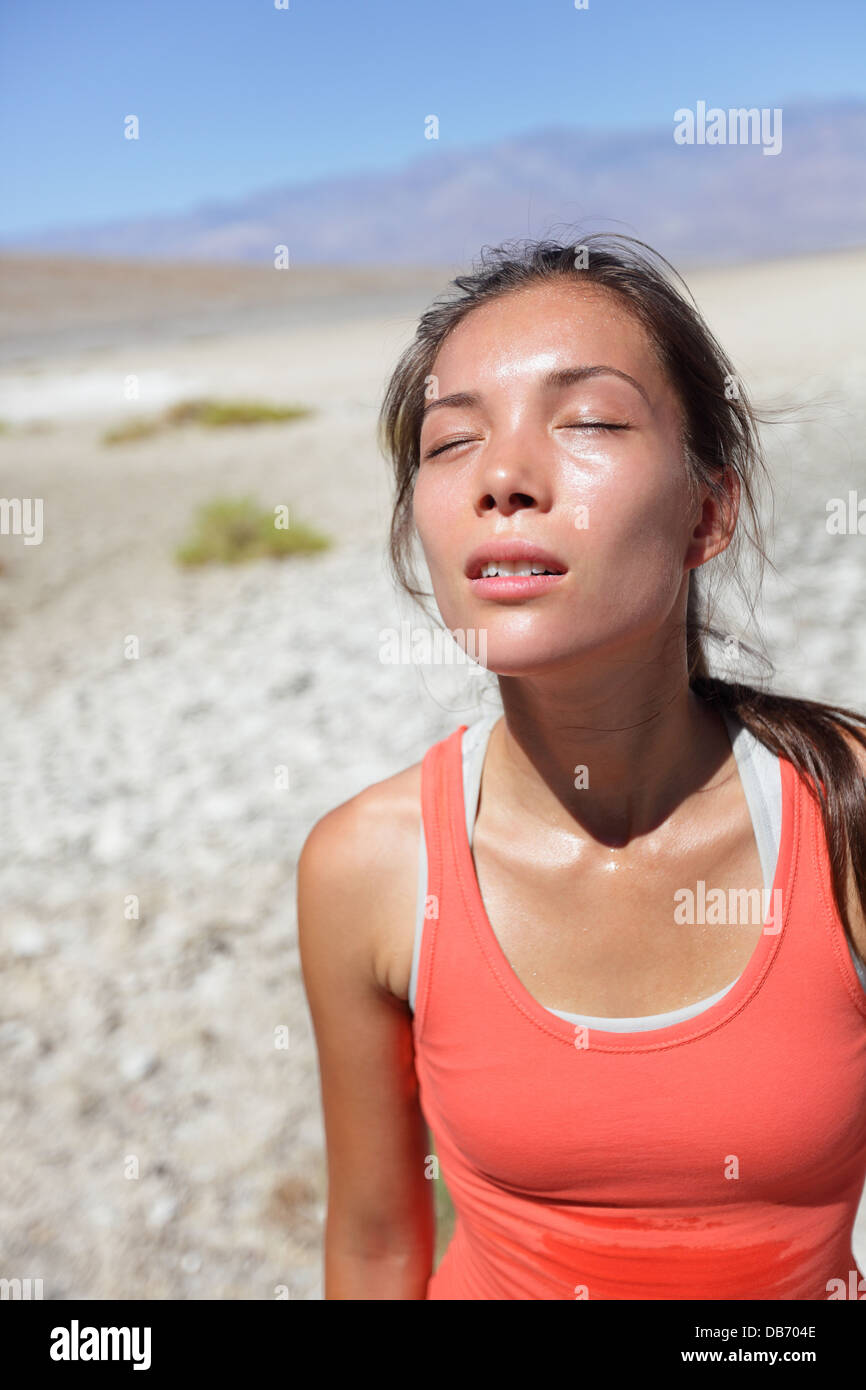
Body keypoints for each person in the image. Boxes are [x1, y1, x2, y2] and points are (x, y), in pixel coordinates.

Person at [297, 234, 866, 1300]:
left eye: (590, 420)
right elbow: (375, 1246)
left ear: (706, 513)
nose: (503, 479)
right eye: (449, 440)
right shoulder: (368, 869)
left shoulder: (842, 812)